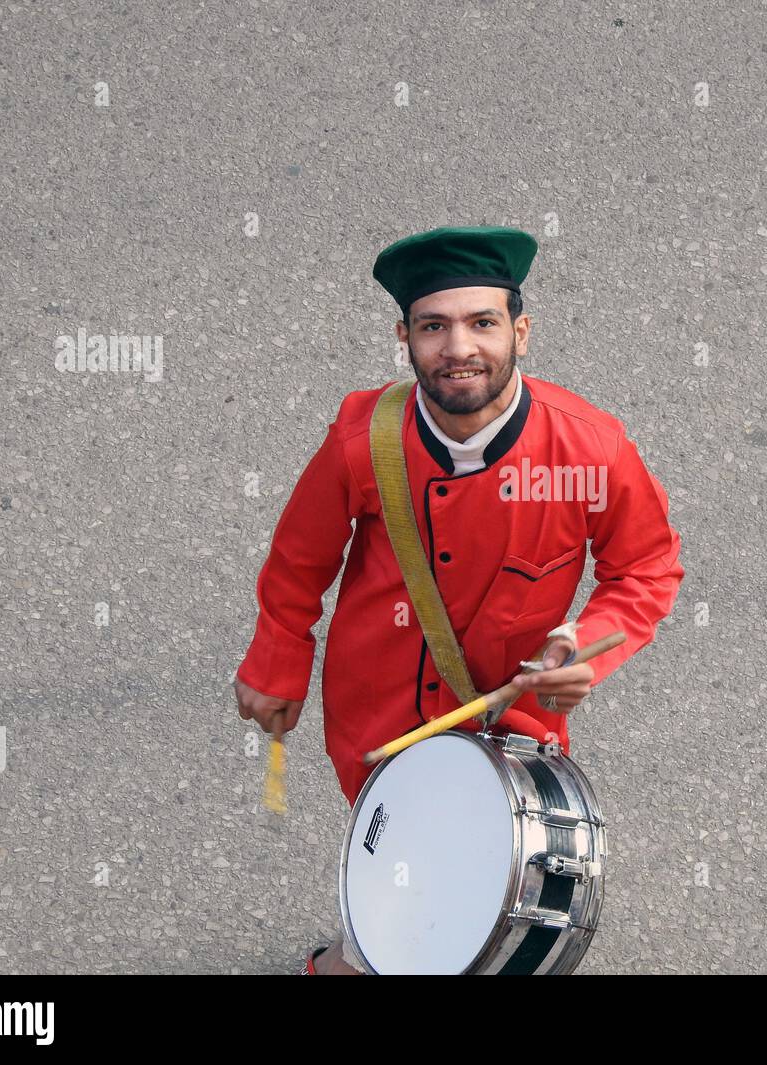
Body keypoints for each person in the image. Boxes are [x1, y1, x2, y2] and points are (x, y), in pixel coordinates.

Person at [232, 226, 684, 974]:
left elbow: (646, 566)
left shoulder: (590, 449)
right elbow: (297, 561)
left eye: (482, 322)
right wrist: (278, 661)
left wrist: (582, 645)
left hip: (515, 715)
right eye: (434, 326)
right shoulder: (363, 438)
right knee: (416, 873)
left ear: (522, 331)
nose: (459, 347)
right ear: (403, 336)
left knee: (482, 893)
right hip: (380, 713)